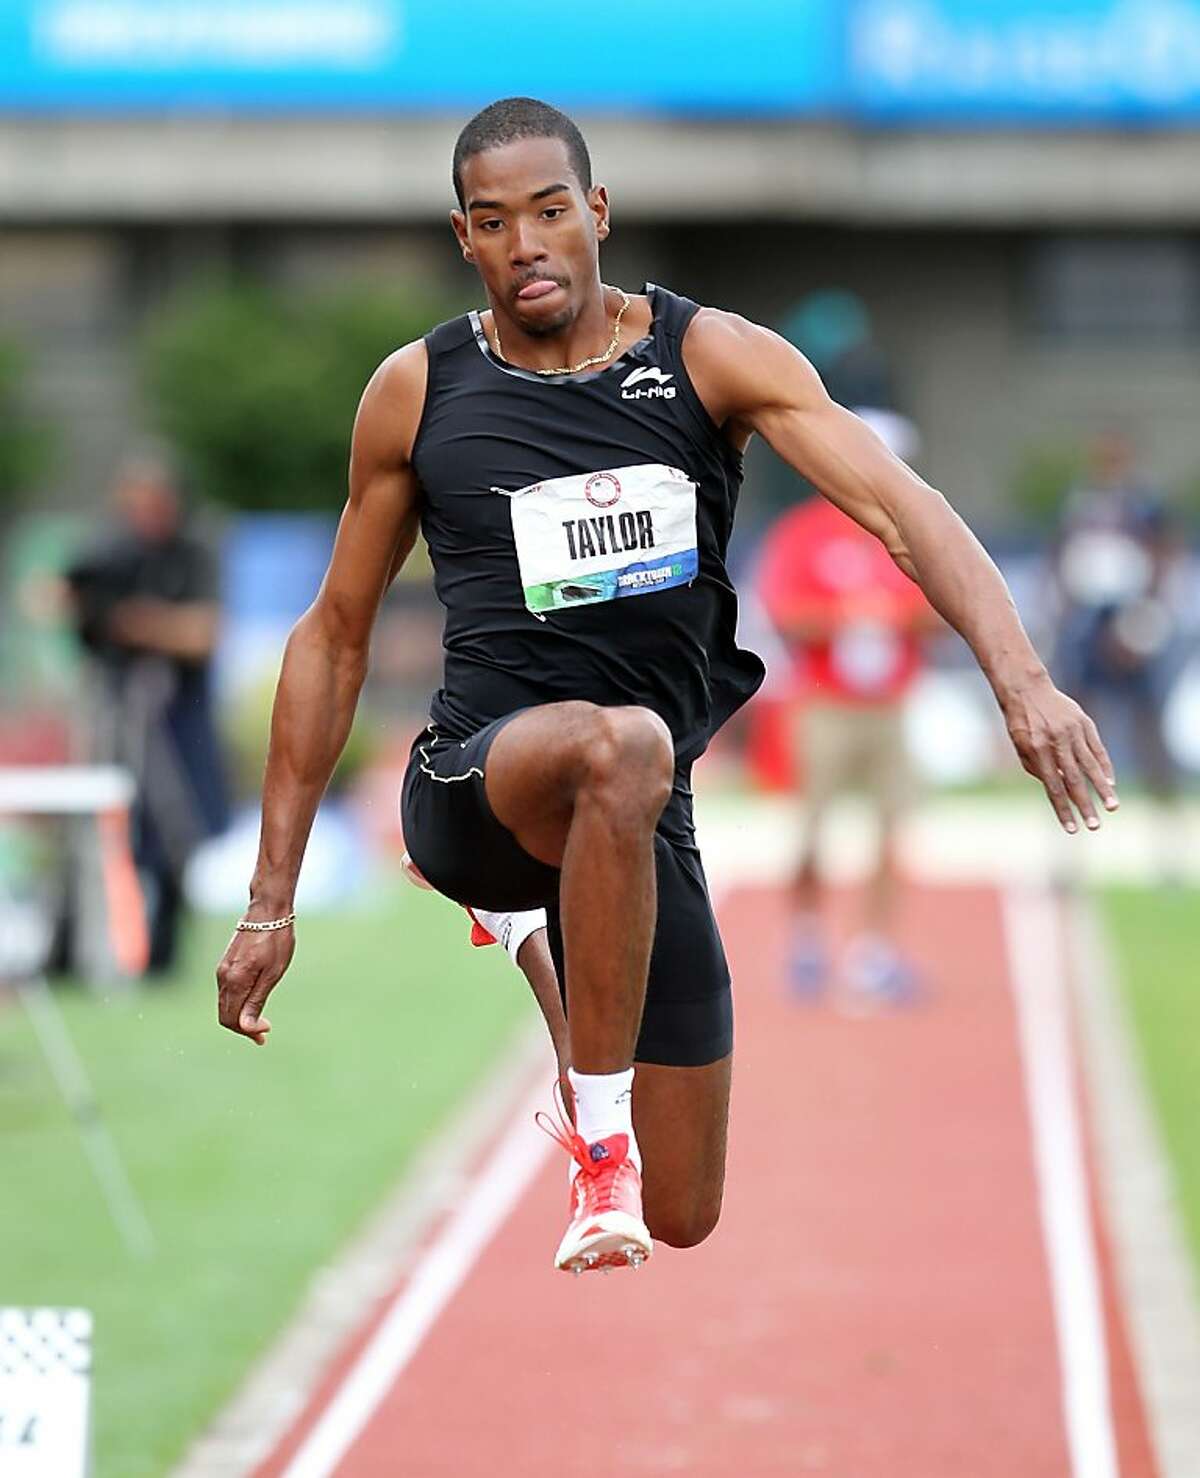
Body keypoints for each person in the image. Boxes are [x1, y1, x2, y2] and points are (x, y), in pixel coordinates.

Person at [215, 97, 1118, 1276]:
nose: (526, 244)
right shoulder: (416, 391)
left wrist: (1025, 681)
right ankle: (597, 1147)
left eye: (549, 213)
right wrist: (270, 900)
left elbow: (905, 509)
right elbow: (333, 636)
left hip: (643, 810)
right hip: (476, 780)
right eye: (494, 223)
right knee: (623, 742)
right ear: (464, 239)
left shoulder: (711, 357)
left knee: (688, 1206)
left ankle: (545, 936)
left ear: (596, 212)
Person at [757, 492, 936, 1005]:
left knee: (892, 826)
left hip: (890, 703)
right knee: (813, 829)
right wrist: (849, 617)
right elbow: (784, 612)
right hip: (824, 702)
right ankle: (807, 939)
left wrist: (889, 617)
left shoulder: (910, 526)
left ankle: (874, 950)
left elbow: (939, 609)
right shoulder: (804, 531)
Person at [67, 450, 227, 974]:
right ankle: (82, 949)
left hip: (176, 721)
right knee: (101, 833)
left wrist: (137, 623)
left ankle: (161, 952)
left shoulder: (193, 554)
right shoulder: (111, 553)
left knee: (174, 834)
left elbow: (200, 633)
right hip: (119, 715)